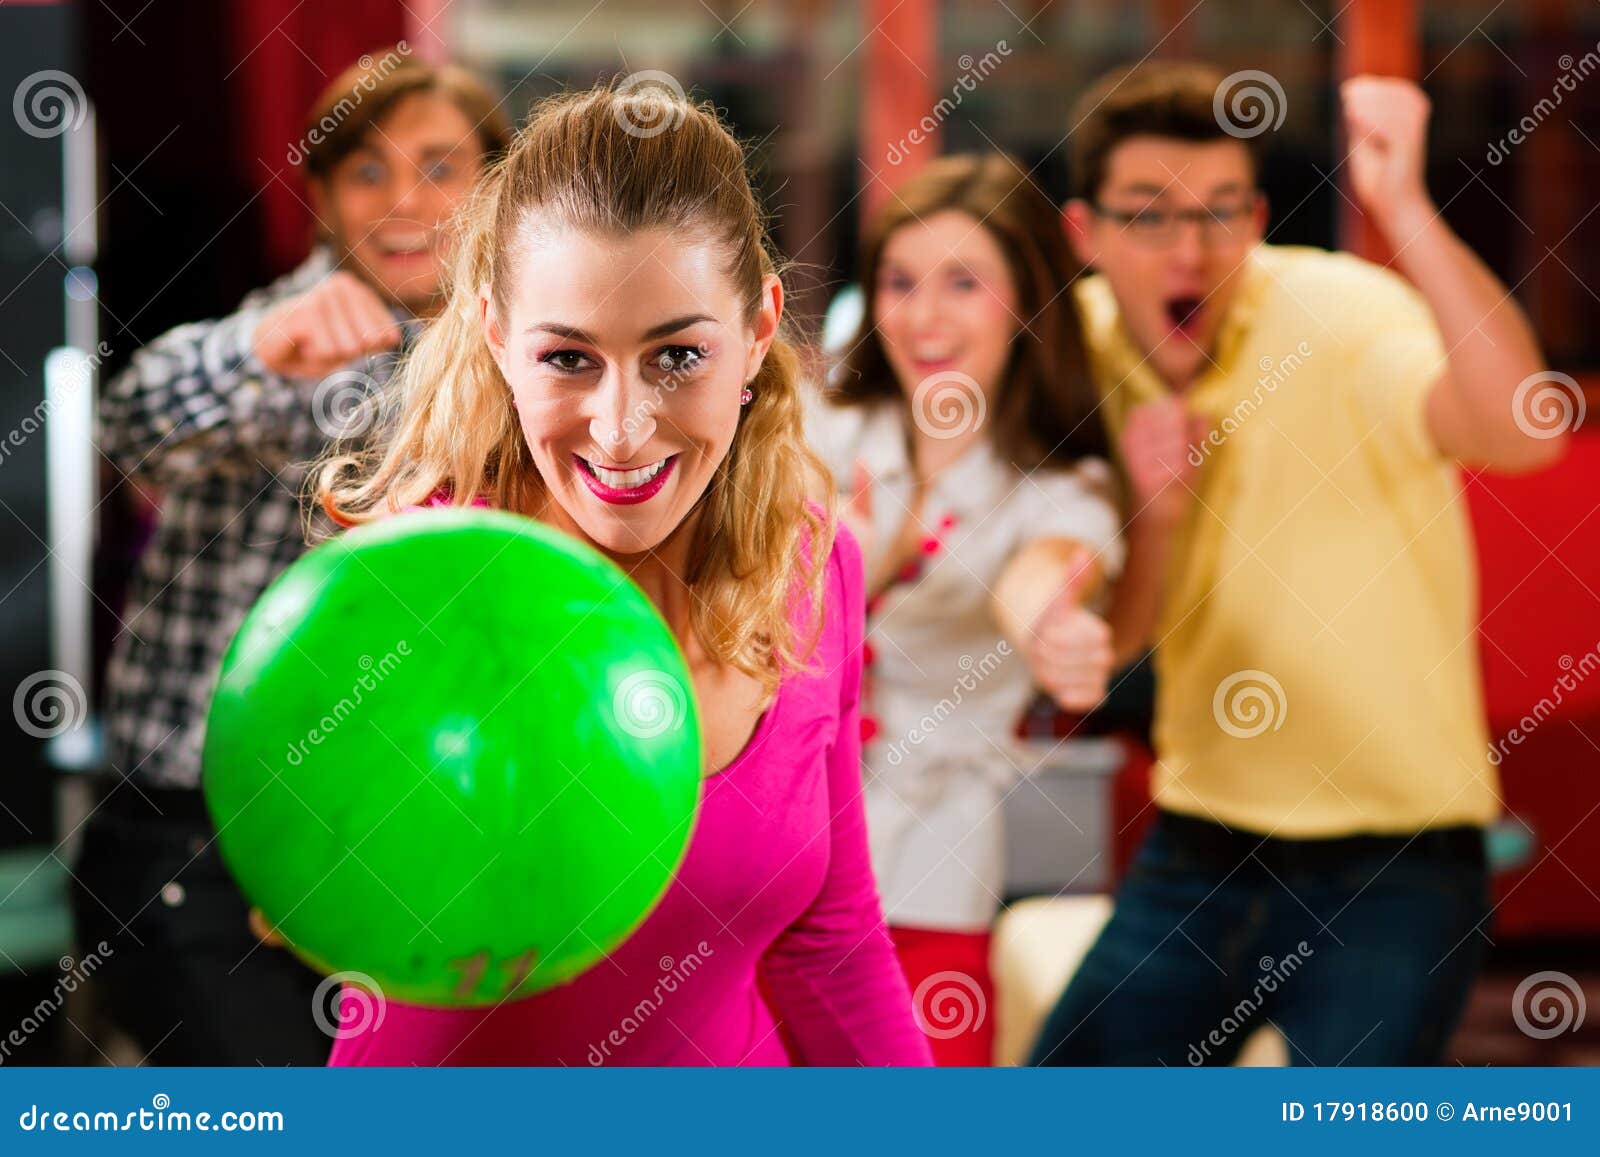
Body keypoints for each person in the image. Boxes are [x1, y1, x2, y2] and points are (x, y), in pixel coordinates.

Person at [294, 82, 932, 1067]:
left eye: (677, 353)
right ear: (496, 333)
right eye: (568, 358)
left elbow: (831, 939)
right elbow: (341, 915)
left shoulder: (813, 558)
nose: (623, 426)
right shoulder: (426, 591)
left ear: (761, 327)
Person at [1030, 62, 1564, 1066]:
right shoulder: (1080, 344)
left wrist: (1402, 203)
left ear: (1259, 217)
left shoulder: (1339, 311)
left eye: (1220, 213)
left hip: (1397, 863)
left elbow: (1519, 430)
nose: (1190, 249)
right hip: (1198, 842)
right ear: (1084, 233)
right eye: (1147, 216)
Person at [74, 51, 510, 1065]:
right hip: (196, 845)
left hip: (389, 844)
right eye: (366, 171)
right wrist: (264, 344)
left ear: (494, 186)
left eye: (441, 166)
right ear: (318, 195)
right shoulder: (294, 332)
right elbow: (131, 423)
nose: (405, 200)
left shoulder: (514, 358)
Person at [807, 154, 1125, 1065]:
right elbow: (748, 613)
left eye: (964, 284)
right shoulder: (819, 431)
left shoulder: (1061, 482)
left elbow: (1049, 571)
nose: (923, 317)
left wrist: (1052, 627)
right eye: (900, 283)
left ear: (1025, 301)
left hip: (928, 868)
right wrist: (864, 558)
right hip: (778, 856)